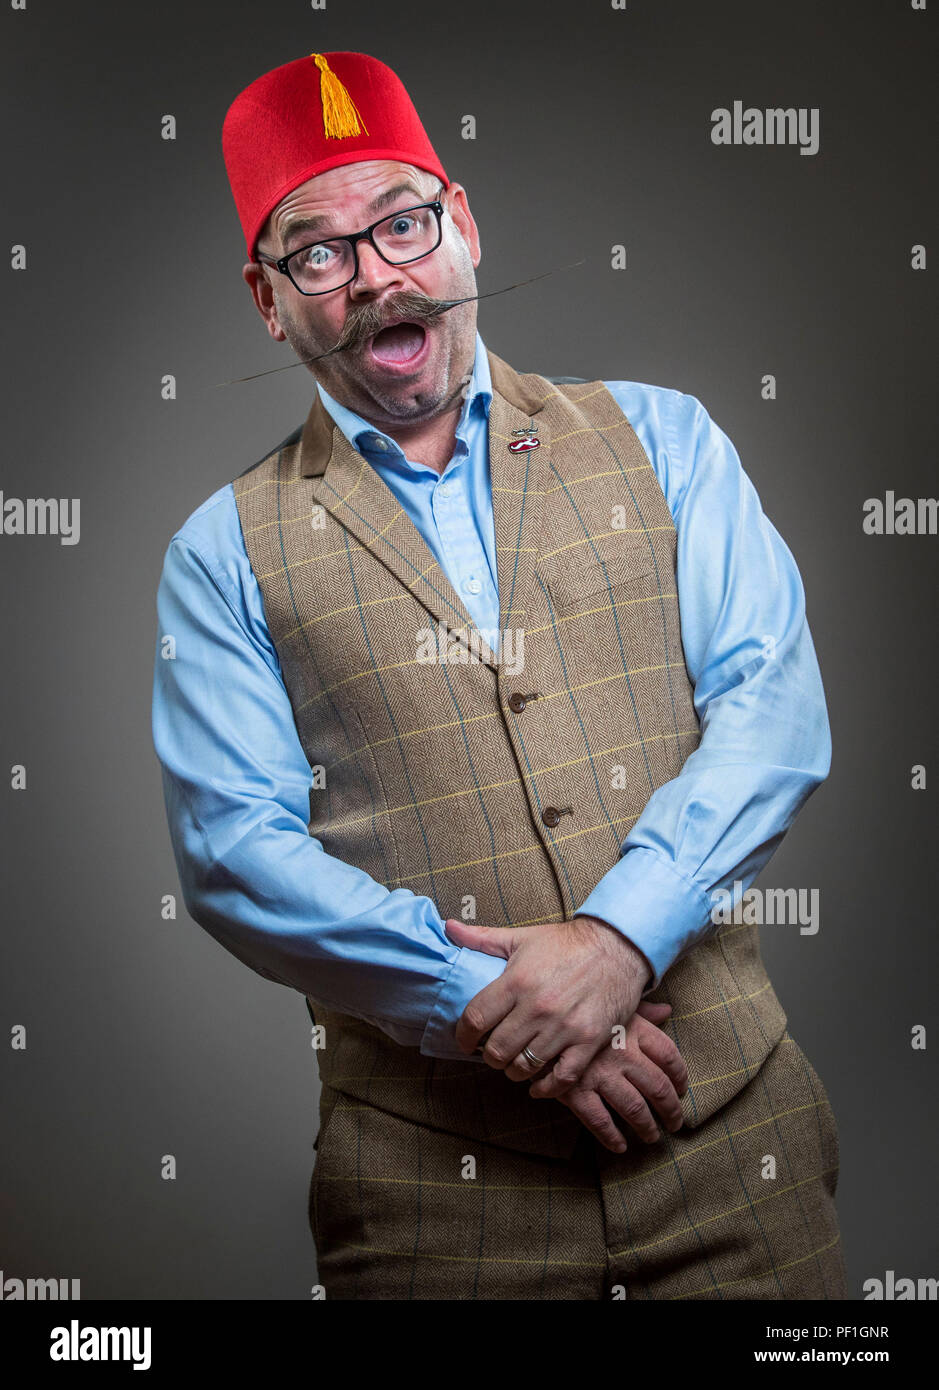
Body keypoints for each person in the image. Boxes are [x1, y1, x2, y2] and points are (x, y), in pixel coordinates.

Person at [152, 49, 847, 1300]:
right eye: (318, 252)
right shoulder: (222, 551)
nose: (375, 275)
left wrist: (617, 942)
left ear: (460, 224)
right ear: (269, 299)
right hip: (432, 1208)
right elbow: (232, 854)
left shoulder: (667, 438)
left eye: (402, 223)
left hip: (738, 1148)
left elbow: (774, 712)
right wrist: (488, 998)